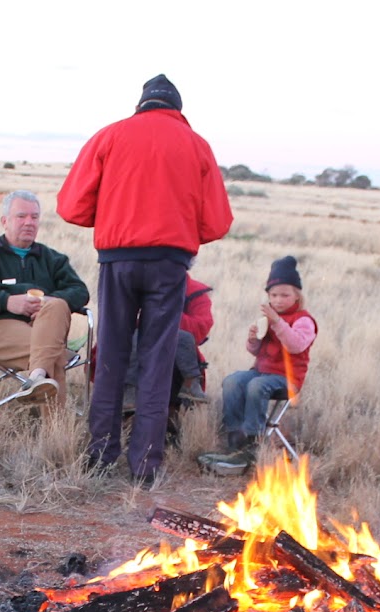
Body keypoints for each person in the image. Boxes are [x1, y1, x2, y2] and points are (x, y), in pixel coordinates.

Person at [57, 74, 232, 486]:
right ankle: (145, 467)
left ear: (142, 104)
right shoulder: (197, 145)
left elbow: (71, 206)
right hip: (169, 265)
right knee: (156, 360)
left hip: (118, 260)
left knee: (113, 355)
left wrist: (115, 217)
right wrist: (180, 233)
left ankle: (99, 457)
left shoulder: (111, 136)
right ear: (177, 108)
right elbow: (218, 221)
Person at [0, 191, 89, 408]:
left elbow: (80, 291)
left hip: (45, 328)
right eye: (21, 216)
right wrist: (7, 301)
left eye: (34, 217)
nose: (29, 223)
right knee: (56, 356)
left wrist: (49, 302)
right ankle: (56, 436)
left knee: (57, 305)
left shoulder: (52, 259)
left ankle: (37, 377)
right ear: (4, 221)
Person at [199, 256, 317, 475]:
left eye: (285, 295)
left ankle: (253, 442)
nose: (279, 300)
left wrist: (278, 323)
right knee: (233, 381)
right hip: (262, 372)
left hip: (287, 379)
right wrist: (253, 340)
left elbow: (295, 346)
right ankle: (235, 437)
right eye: (273, 295)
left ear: (297, 296)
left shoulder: (303, 320)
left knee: (256, 386)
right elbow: (256, 352)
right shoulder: (269, 319)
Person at [123, 274, 214, 414]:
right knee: (134, 340)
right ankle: (129, 396)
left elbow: (200, 330)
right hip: (139, 351)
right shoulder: (137, 286)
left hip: (176, 359)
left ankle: (182, 397)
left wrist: (169, 313)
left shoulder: (195, 292)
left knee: (181, 340)